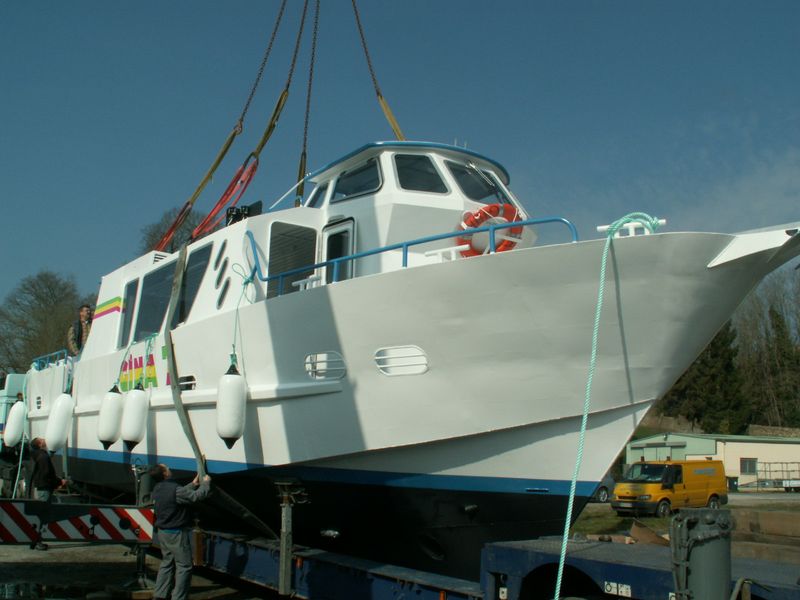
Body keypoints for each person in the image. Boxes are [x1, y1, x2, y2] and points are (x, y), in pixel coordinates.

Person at [150, 464, 211, 600]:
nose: (169, 468)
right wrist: (206, 484)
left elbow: (177, 494)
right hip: (175, 533)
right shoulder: (174, 489)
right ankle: (178, 597)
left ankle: (159, 595)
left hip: (162, 532)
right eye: (167, 468)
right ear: (165, 474)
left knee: (167, 563)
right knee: (184, 566)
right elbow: (196, 497)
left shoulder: (158, 488)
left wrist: (193, 483)